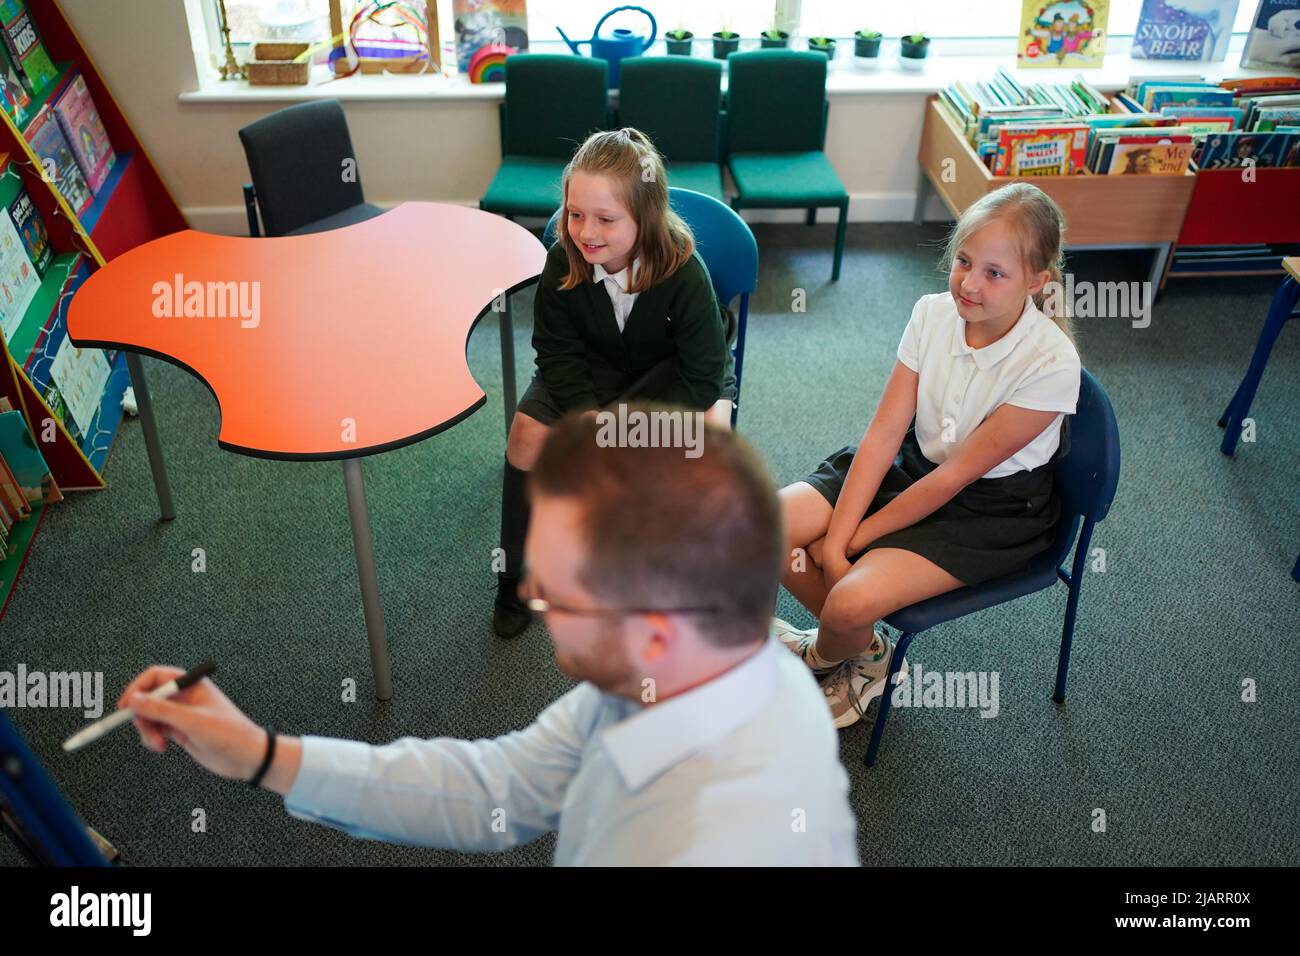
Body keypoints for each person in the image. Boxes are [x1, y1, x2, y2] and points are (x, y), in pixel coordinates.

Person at [119, 413, 858, 866]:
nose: (533, 598)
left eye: (559, 591)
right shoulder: (693, 666)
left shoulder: (709, 838)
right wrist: (260, 753)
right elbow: (498, 789)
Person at [774, 182, 1082, 729]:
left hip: (989, 509)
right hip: (913, 465)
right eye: (964, 261)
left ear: (1038, 283)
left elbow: (955, 479)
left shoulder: (1053, 364)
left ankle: (842, 654)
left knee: (845, 598)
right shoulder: (931, 313)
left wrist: (851, 542)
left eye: (995, 273)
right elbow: (884, 432)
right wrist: (839, 539)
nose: (969, 283)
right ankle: (860, 647)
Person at [493, 127, 737, 637]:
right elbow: (556, 352)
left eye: (606, 218)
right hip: (590, 369)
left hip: (671, 377)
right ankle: (515, 575)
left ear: (645, 218)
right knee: (525, 436)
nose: (586, 231)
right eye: (575, 214)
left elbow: (701, 379)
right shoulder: (564, 258)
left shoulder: (685, 272)